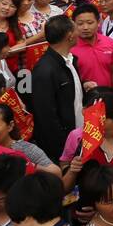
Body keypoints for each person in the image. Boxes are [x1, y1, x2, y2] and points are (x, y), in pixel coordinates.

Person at [29, 16, 83, 164]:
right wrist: (63, 149)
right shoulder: (45, 70)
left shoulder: (70, 60)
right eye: (76, 28)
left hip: (77, 136)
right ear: (69, 35)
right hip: (63, 147)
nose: (80, 32)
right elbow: (46, 116)